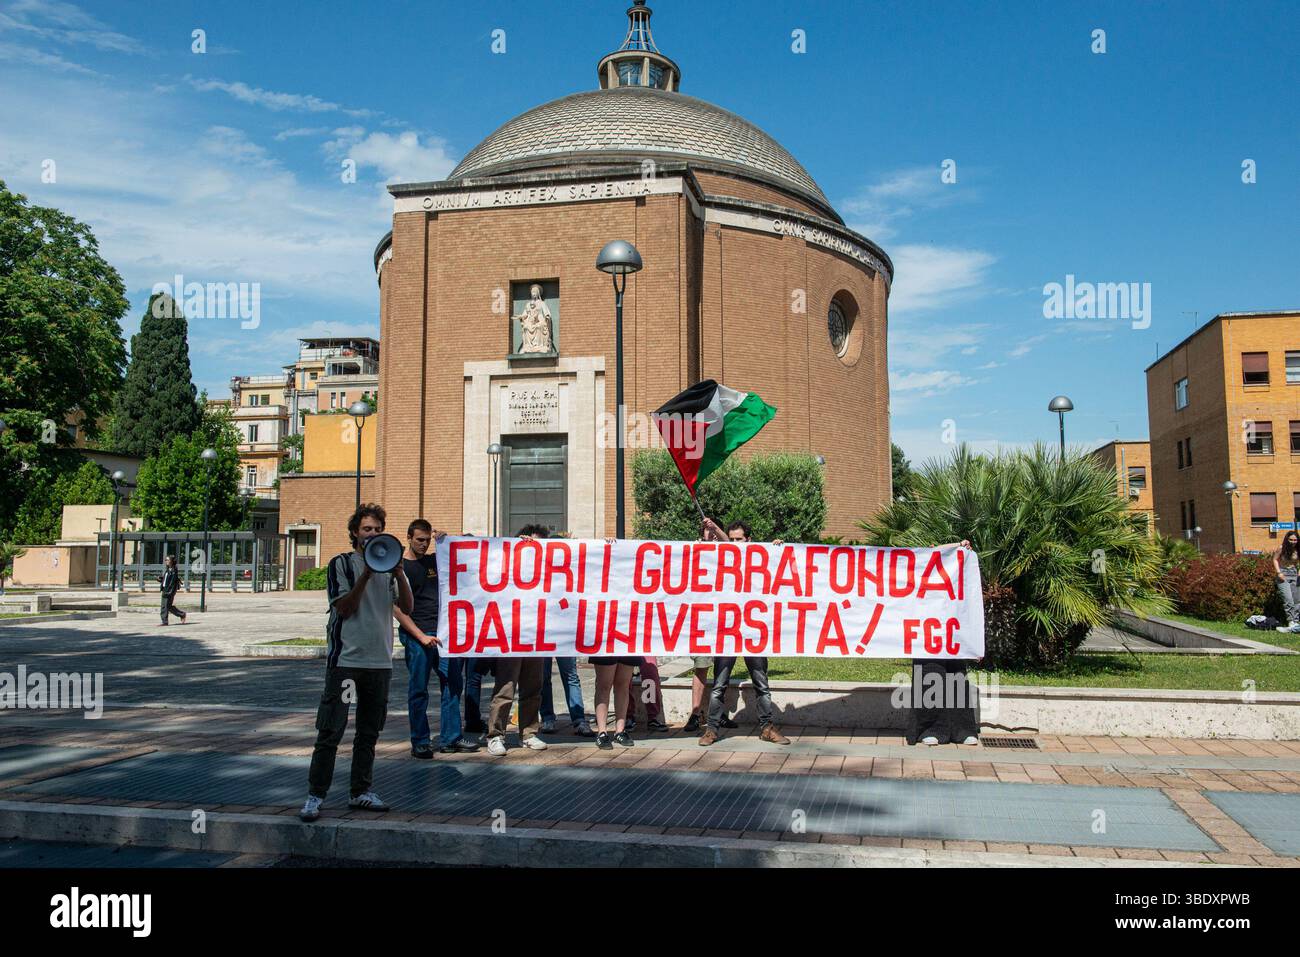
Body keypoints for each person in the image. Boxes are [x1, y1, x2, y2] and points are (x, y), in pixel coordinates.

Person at [299, 503, 413, 822]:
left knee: (369, 732)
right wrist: (366, 574)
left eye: (378, 529)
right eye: (367, 529)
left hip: (379, 663)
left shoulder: (390, 567)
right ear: (355, 533)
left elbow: (407, 606)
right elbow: (345, 608)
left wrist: (400, 574)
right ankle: (315, 794)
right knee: (332, 729)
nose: (373, 534)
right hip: (347, 662)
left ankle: (360, 791)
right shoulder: (342, 564)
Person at [698, 517, 790, 747]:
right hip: (728, 631)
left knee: (761, 682)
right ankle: (712, 730)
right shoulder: (724, 559)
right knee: (719, 683)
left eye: (740, 539)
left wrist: (777, 548)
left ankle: (767, 727)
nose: (736, 543)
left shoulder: (761, 558)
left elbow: (782, 569)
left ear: (749, 540)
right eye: (733, 540)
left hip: (752, 632)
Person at [392, 519, 479, 757]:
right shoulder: (399, 568)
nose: (423, 544)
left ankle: (451, 738)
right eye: (420, 540)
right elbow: (397, 608)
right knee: (418, 689)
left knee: (452, 685)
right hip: (417, 634)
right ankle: (420, 741)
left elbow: (471, 545)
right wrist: (419, 636)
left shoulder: (435, 560)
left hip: (443, 634)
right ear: (408, 537)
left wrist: (448, 540)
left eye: (427, 540)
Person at [482, 525, 550, 757]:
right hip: (511, 636)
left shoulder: (549, 572)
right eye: (529, 544)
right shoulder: (508, 570)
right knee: (506, 688)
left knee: (533, 688)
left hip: (537, 636)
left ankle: (529, 733)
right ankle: (496, 735)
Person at [908, 540, 980, 747]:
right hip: (925, 629)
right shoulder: (918, 561)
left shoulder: (957, 563)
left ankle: (963, 729)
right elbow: (926, 554)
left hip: (950, 629)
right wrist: (952, 546)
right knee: (931, 673)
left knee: (957, 675)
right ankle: (930, 729)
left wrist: (959, 547)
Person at [622, 657, 668, 733]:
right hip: (626, 646)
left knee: (651, 674)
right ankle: (628, 716)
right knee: (624, 679)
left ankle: (653, 717)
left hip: (645, 646)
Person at [1275, 531, 1300, 633]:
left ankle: (1296, 622)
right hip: (1283, 576)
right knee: (1288, 599)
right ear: (1287, 539)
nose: (1293, 542)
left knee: (1297, 601)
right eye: (1291, 539)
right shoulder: (1281, 548)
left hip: (1295, 576)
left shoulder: (1298, 550)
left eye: (1295, 540)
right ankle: (1291, 621)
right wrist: (1279, 572)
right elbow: (1275, 559)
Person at [158, 554, 187, 626]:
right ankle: (182, 614)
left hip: (169, 591)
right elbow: (167, 580)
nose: (166, 561)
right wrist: (161, 579)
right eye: (166, 560)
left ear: (171, 561)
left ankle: (165, 622)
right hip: (165, 589)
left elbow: (172, 583)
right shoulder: (168, 569)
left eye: (167, 560)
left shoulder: (174, 571)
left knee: (165, 606)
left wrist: (169, 591)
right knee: (168, 606)